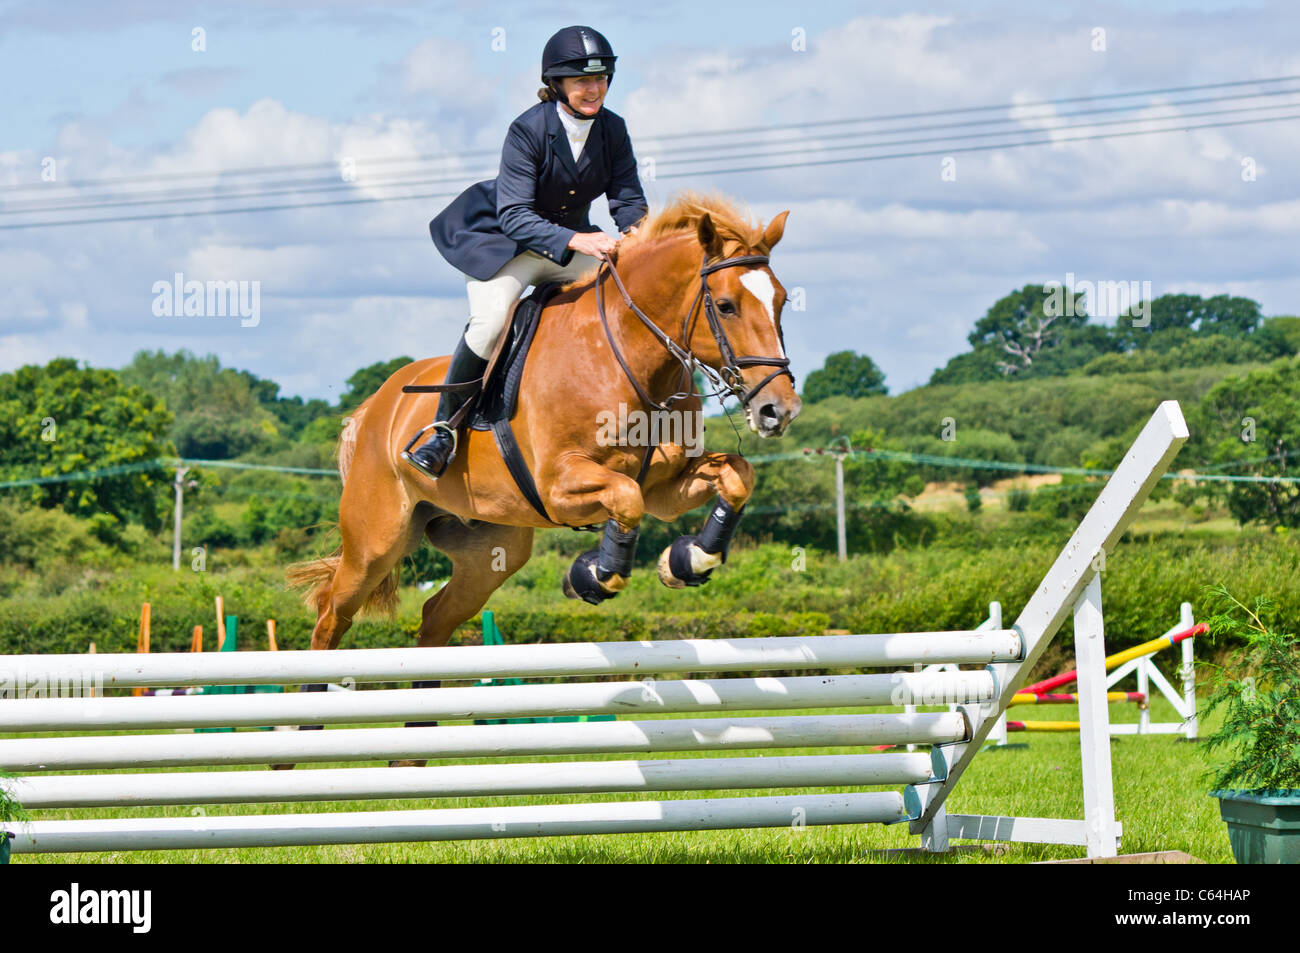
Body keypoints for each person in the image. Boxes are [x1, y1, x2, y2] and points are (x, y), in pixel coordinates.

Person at [404, 25, 649, 480]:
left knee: (635, 292)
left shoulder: (613, 129)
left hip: (569, 243)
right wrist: (579, 240)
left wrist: (640, 236)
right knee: (491, 321)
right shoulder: (527, 130)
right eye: (580, 80)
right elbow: (515, 215)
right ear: (556, 84)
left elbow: (628, 200)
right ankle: (444, 429)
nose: (593, 89)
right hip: (504, 244)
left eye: (600, 79)